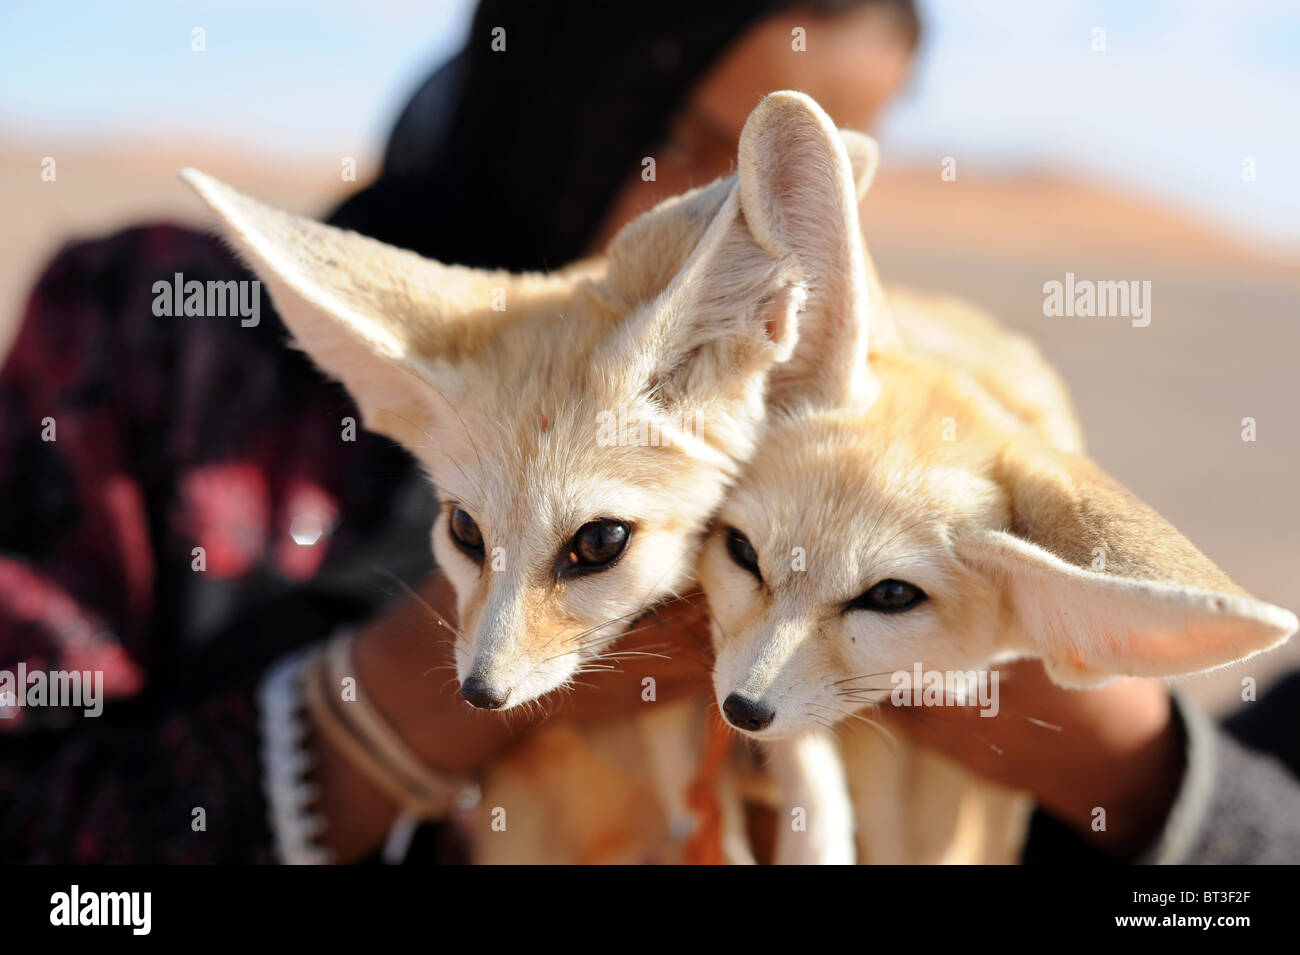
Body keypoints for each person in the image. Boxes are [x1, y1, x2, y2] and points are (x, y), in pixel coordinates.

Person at [3, 0, 1297, 864]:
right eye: (686, 139)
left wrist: (1124, 759)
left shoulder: (905, 416)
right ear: (570, 67)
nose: (751, 224)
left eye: (813, 175)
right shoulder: (168, 329)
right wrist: (392, 711)